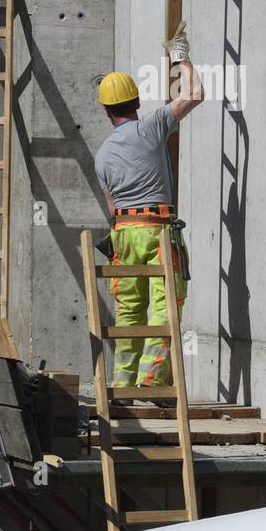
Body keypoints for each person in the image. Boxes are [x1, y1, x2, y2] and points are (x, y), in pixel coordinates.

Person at [94, 24, 204, 388]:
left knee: (128, 313)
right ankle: (150, 380)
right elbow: (196, 93)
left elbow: (111, 210)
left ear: (107, 111)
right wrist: (181, 58)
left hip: (123, 236)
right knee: (165, 306)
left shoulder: (102, 155)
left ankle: (122, 384)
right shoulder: (153, 125)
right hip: (157, 233)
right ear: (137, 103)